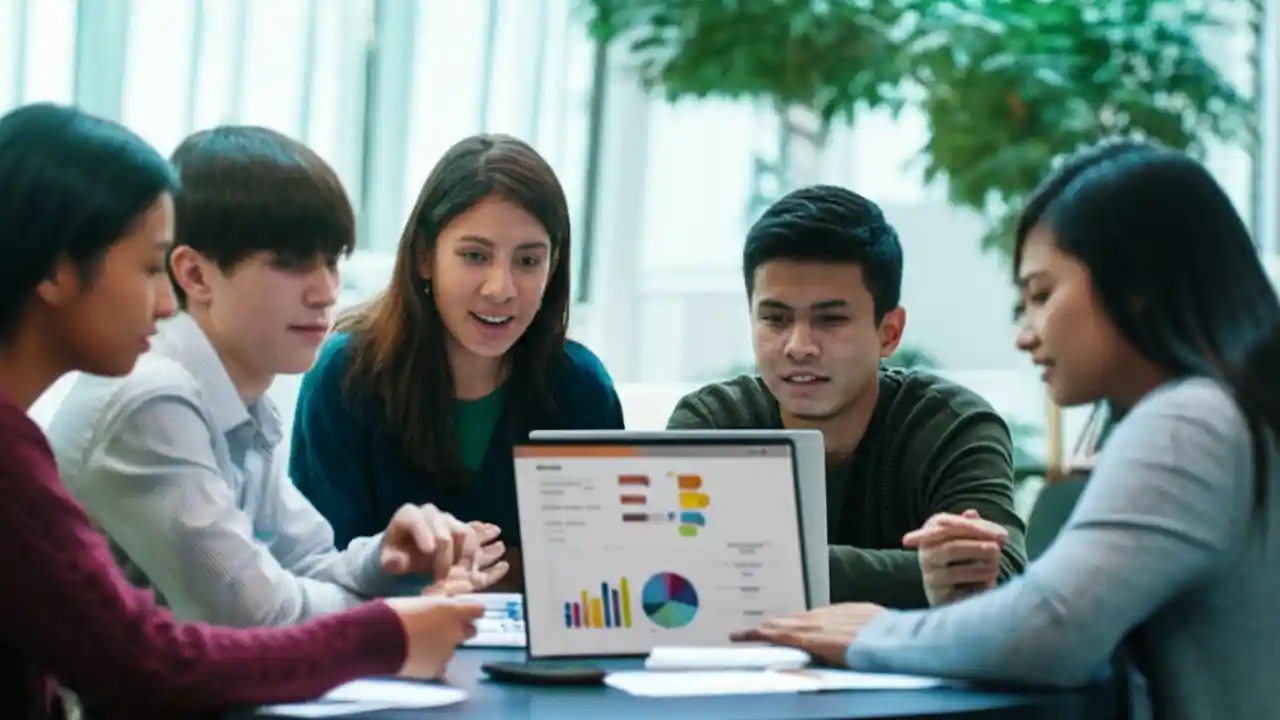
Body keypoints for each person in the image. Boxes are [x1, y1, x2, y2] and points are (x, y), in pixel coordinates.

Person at [733, 142, 1280, 720]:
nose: (1025, 333)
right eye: (774, 318)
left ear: (1139, 285)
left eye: (1042, 295)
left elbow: (1049, 626)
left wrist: (875, 633)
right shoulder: (1232, 413)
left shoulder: (1192, 423)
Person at [0, 103, 483, 718]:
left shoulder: (231, 397)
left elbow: (299, 564)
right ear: (55, 270)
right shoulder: (138, 402)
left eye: (332, 261)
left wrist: (384, 566)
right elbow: (164, 649)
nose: (327, 291)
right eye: (150, 267)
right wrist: (391, 628)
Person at [290, 134, 624, 590]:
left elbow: (600, 568)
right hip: (386, 652)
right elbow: (315, 567)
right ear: (425, 256)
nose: (500, 287)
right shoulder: (346, 374)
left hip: (536, 659)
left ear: (554, 266)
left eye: (528, 260)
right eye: (474, 256)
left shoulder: (581, 387)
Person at [668, 185, 1026, 608]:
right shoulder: (713, 424)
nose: (799, 346)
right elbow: (673, 571)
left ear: (889, 332)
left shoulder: (951, 426)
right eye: (775, 319)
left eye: (830, 320)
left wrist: (748, 567)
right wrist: (923, 575)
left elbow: (993, 580)